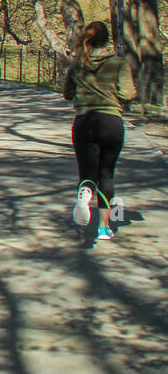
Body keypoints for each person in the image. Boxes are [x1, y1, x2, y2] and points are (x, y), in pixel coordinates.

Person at [62, 21, 137, 242]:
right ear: (107, 40)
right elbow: (128, 93)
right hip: (110, 122)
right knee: (106, 173)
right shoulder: (118, 64)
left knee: (87, 172)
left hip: (84, 122)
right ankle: (103, 228)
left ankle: (84, 195)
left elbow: (67, 93)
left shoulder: (77, 64)